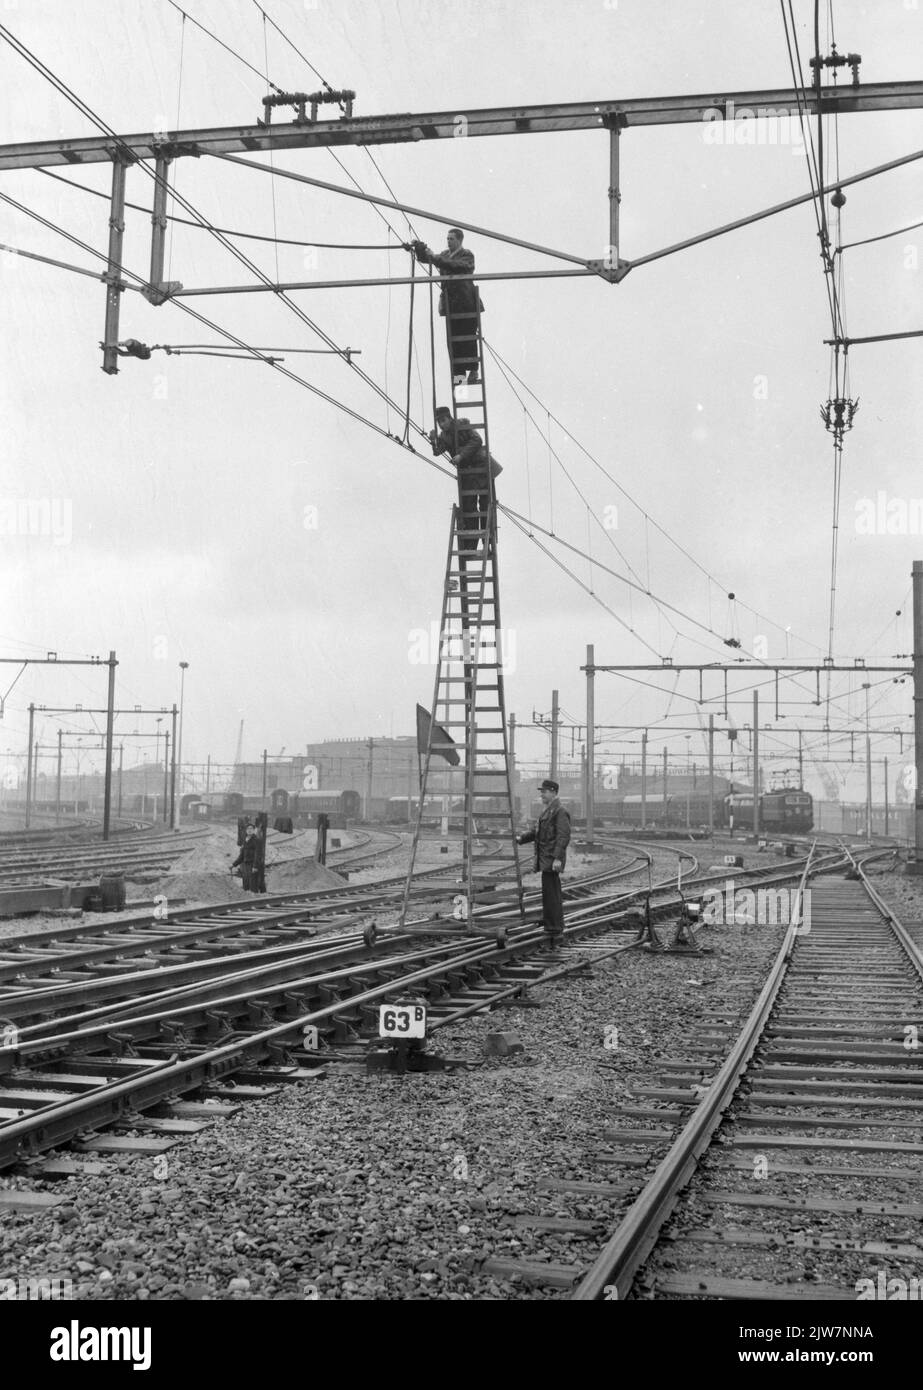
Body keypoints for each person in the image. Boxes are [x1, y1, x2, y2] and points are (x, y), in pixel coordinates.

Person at [411, 229, 483, 384]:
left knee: (468, 338)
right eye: (447, 238)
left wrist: (434, 257)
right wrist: (419, 249)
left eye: (451, 239)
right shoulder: (444, 255)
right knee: (454, 343)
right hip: (451, 304)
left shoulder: (467, 255)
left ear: (459, 240)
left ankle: (473, 371)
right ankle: (460, 384)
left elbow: (457, 266)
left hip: (467, 303)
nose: (448, 241)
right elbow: (429, 259)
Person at [429, 406, 502, 549]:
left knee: (485, 505)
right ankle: (472, 544)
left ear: (450, 418)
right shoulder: (444, 436)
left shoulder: (463, 425)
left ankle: (487, 540)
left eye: (443, 421)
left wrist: (461, 456)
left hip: (481, 468)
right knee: (470, 508)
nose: (441, 425)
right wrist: (433, 440)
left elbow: (477, 440)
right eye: (439, 422)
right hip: (467, 474)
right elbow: (438, 451)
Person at [517, 779, 571, 946]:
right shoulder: (548, 811)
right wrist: (521, 839)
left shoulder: (559, 811)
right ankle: (551, 925)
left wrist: (557, 858)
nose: (542, 794)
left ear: (554, 792)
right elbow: (537, 832)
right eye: (542, 791)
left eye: (545, 791)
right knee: (549, 893)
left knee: (552, 893)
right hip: (546, 859)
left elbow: (563, 836)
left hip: (551, 859)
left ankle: (555, 926)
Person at [231, 824, 260, 893]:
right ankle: (247, 900)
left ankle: (254, 900)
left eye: (251, 829)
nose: (249, 830)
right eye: (248, 829)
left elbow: (257, 854)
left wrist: (255, 866)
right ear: (246, 830)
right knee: (246, 884)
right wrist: (233, 864)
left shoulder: (256, 840)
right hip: (245, 865)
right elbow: (241, 856)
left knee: (253, 885)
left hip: (252, 865)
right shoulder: (245, 840)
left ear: (254, 830)